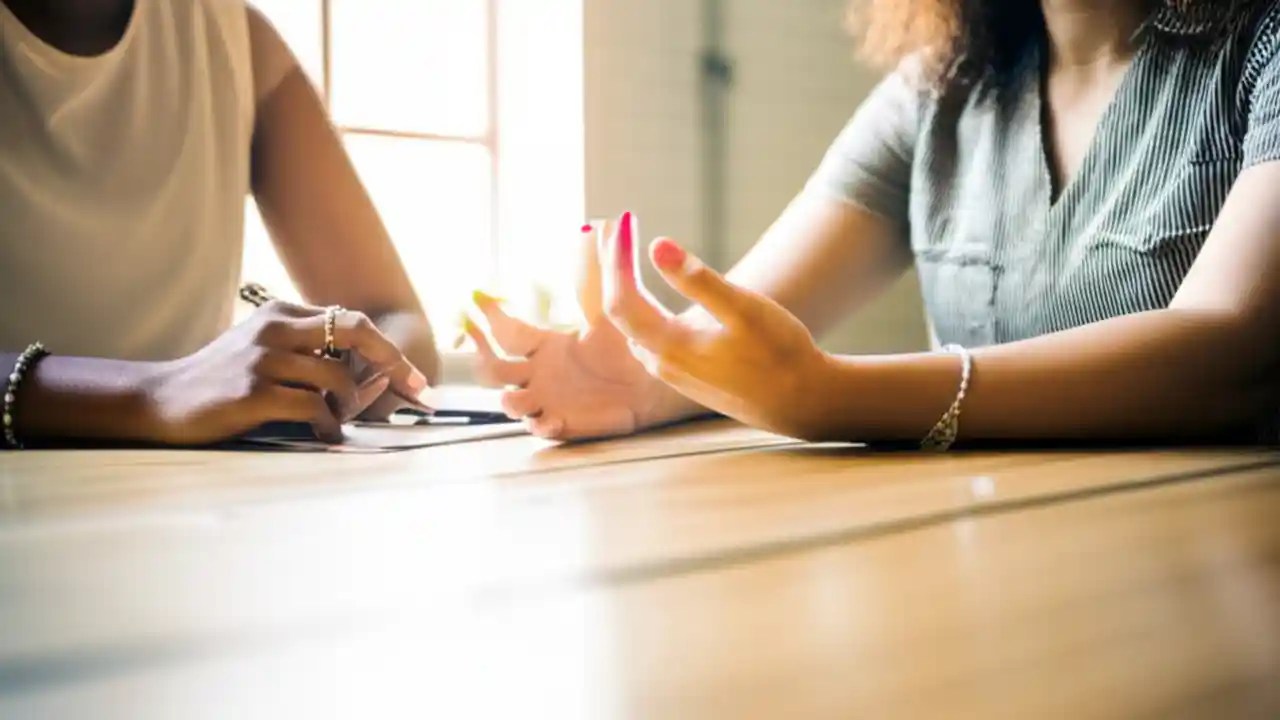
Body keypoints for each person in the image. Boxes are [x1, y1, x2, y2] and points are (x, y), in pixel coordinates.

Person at [467, 0, 1280, 446]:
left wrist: (839, 397)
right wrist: (647, 375)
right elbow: (751, 325)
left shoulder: (1264, 43)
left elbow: (1232, 347)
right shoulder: (941, 85)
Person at [0, 0, 438, 447]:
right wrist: (154, 393)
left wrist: (343, 367)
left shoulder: (229, 31)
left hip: (193, 496)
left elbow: (394, 318)